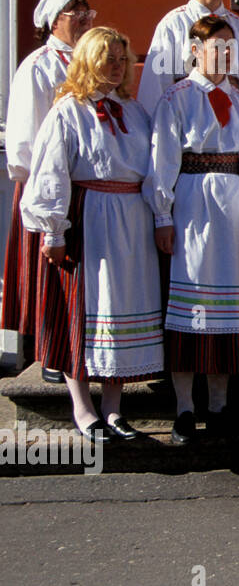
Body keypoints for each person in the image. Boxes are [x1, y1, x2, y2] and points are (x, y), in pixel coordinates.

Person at [21, 27, 163, 440]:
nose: (117, 68)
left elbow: (152, 169)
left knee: (122, 312)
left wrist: (159, 217)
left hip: (132, 222)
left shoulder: (134, 112)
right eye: (108, 60)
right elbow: (51, 171)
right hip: (89, 219)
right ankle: (83, 409)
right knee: (82, 313)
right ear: (87, 61)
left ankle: (114, 409)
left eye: (122, 60)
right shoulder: (69, 111)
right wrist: (53, 231)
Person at [148, 16, 239, 444]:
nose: (224, 55)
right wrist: (163, 216)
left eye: (230, 48)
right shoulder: (176, 99)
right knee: (190, 305)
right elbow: (162, 162)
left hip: (232, 207)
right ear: (195, 50)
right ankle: (183, 408)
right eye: (216, 47)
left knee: (227, 308)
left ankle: (219, 404)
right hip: (192, 202)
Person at [5, 0, 95, 377]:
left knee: (76, 272)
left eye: (84, 10)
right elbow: (26, 134)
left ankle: (79, 342)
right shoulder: (38, 66)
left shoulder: (91, 60)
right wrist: (38, 188)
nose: (82, 17)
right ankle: (47, 351)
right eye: (73, 11)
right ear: (54, 20)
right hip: (46, 186)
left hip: (83, 186)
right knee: (48, 272)